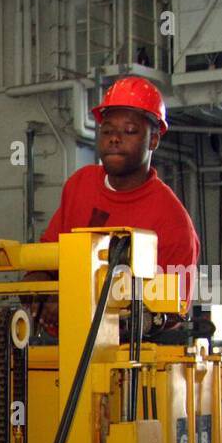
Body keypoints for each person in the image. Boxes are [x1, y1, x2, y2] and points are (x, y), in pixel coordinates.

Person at [28, 76, 200, 339]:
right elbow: (44, 259)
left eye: (129, 131)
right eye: (107, 131)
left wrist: (98, 313)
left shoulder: (172, 221)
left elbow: (171, 314)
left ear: (153, 140)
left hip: (127, 364)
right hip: (60, 347)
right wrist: (43, 291)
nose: (115, 139)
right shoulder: (79, 185)